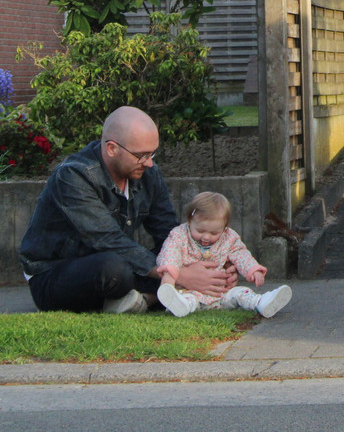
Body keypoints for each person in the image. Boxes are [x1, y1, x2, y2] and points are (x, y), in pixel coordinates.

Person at [19, 106, 235, 313]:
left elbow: (169, 233)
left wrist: (210, 267)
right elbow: (108, 240)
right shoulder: (74, 176)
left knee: (150, 258)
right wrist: (180, 275)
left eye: (152, 154)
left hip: (121, 260)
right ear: (112, 148)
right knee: (114, 269)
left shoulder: (147, 172)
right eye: (141, 155)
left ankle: (142, 299)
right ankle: (161, 295)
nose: (149, 163)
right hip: (54, 274)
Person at [155, 191, 292, 318]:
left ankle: (261, 302)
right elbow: (169, 253)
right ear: (190, 221)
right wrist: (169, 275)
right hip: (190, 290)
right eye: (200, 231)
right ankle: (181, 306)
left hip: (220, 294)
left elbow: (241, 254)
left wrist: (253, 269)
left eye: (214, 233)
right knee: (188, 299)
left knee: (240, 293)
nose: (206, 237)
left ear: (225, 227)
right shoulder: (179, 235)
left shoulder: (228, 238)